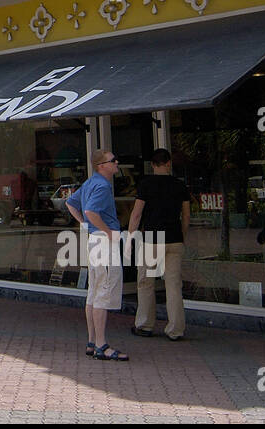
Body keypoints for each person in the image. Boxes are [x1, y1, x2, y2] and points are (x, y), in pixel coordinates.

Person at [66, 149, 128, 361]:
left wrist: (84, 224)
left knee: (94, 290)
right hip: (104, 243)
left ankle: (92, 341)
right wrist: (108, 232)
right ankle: (101, 344)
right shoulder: (102, 185)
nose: (116, 162)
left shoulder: (90, 182)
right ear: (102, 165)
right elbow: (92, 211)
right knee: (104, 289)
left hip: (94, 242)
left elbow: (70, 203)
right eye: (113, 160)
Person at [127, 148, 190, 340]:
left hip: (153, 239)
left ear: (153, 165)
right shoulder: (180, 185)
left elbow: (137, 214)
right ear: (169, 163)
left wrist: (130, 237)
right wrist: (182, 235)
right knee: (173, 285)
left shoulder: (146, 184)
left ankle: (145, 325)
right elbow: (186, 215)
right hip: (174, 239)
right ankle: (175, 330)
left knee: (146, 282)